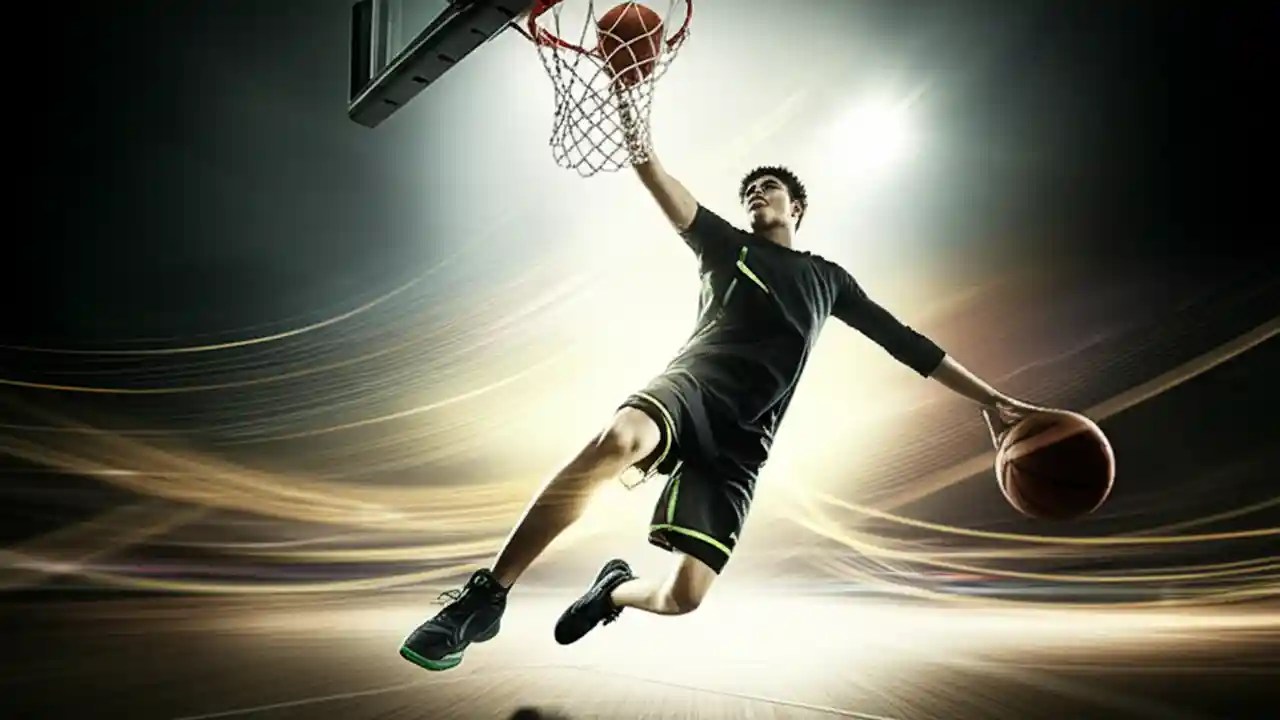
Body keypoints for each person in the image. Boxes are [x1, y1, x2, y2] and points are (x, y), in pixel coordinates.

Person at [398, 143, 1040, 673]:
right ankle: (484, 600)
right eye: (750, 192)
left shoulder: (830, 280)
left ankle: (612, 590)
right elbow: (659, 181)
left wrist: (993, 400)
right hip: (692, 390)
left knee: (683, 598)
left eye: (768, 188)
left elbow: (906, 342)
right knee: (620, 440)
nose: (756, 195)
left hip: (744, 445)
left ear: (798, 206)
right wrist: (633, 121)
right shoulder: (726, 245)